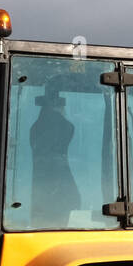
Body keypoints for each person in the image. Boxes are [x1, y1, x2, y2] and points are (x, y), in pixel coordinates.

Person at [30, 89, 80, 224]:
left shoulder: (36, 127)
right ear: (56, 107)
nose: (65, 109)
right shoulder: (59, 125)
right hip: (57, 198)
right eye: (62, 106)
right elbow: (68, 127)